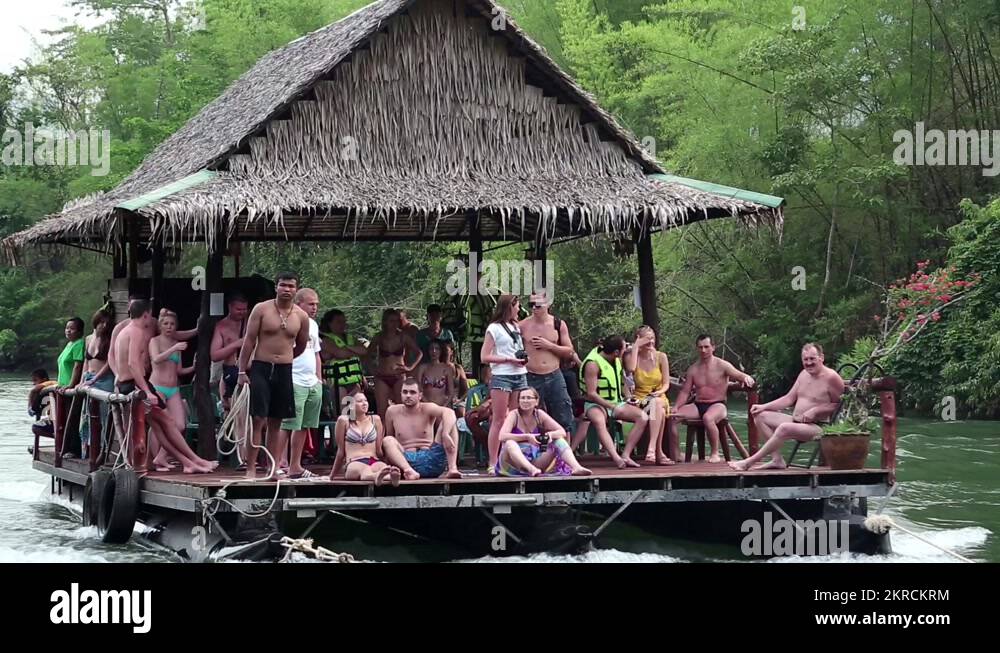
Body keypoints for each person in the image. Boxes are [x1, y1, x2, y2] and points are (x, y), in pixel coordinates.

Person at [116, 300, 217, 474]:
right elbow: (133, 363)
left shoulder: (125, 331)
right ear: (146, 314)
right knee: (167, 423)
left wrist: (196, 331)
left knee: (161, 425)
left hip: (128, 383)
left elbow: (177, 336)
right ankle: (193, 460)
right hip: (136, 385)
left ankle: (190, 462)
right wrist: (146, 391)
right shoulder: (137, 332)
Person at [236, 272, 310, 480]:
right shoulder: (261, 309)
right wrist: (242, 371)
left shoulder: (301, 316)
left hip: (284, 370)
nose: (287, 289)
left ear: (296, 289)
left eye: (291, 286)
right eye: (283, 285)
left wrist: (285, 358)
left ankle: (272, 467)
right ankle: (251, 467)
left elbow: (301, 345)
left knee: (276, 422)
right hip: (261, 367)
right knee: (258, 419)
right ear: (276, 287)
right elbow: (249, 341)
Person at [731, 343, 844, 471]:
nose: (809, 363)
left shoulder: (832, 377)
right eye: (805, 359)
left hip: (818, 426)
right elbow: (789, 399)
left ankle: (748, 462)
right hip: (796, 421)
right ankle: (777, 460)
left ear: (821, 358)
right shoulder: (803, 374)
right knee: (759, 415)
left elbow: (839, 404)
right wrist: (763, 406)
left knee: (784, 428)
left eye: (812, 359)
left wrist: (816, 410)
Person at [669, 334, 756, 463]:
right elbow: (685, 391)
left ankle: (715, 453)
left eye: (706, 347)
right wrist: (676, 407)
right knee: (671, 417)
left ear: (713, 347)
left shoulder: (723, 365)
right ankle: (676, 454)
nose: (703, 350)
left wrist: (746, 378)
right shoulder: (693, 369)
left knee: (708, 418)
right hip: (698, 404)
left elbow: (738, 374)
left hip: (718, 404)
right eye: (700, 347)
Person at [573, 336, 650, 468]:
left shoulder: (616, 360)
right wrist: (611, 406)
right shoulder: (592, 364)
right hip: (594, 403)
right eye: (624, 348)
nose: (626, 350)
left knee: (643, 417)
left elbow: (622, 382)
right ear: (616, 352)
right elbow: (591, 394)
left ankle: (626, 455)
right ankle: (616, 458)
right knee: (598, 420)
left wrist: (628, 397)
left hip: (615, 401)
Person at [272, 288, 323, 479]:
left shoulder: (314, 325)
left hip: (312, 381)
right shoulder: (288, 322)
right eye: (311, 304)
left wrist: (318, 379)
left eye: (316, 304)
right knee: (287, 424)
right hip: (293, 378)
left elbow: (316, 353)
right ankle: (276, 465)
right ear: (299, 303)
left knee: (304, 425)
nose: (314, 308)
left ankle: (295, 466)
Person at [480, 294, 528, 472]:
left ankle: (512, 459)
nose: (519, 309)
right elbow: (484, 356)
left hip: (520, 373)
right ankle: (493, 462)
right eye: (517, 306)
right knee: (499, 419)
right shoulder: (494, 328)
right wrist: (508, 359)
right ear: (509, 307)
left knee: (515, 418)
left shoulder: (516, 326)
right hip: (503, 374)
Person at [519, 292, 576, 441]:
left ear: (548, 304)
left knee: (563, 413)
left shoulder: (558, 324)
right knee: (531, 414)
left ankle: (565, 456)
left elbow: (569, 351)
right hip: (531, 375)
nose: (534, 308)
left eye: (538, 305)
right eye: (531, 305)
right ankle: (533, 453)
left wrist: (549, 346)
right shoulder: (522, 325)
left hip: (554, 374)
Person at [496, 387, 591, 477]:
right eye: (522, 398)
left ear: (536, 401)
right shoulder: (514, 414)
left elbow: (562, 431)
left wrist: (550, 435)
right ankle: (531, 469)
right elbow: (502, 436)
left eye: (529, 398)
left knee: (559, 440)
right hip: (514, 462)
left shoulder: (539, 414)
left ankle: (576, 467)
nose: (525, 401)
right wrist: (527, 437)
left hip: (535, 458)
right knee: (509, 443)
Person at [381, 378, 462, 479]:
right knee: (388, 440)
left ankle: (453, 468)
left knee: (450, 423)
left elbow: (449, 413)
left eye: (412, 392)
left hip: (432, 458)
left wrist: (445, 434)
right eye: (405, 392)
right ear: (401, 393)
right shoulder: (392, 411)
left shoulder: (427, 408)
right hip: (406, 461)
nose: (408, 395)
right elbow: (390, 437)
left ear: (420, 395)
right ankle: (409, 471)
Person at [623, 325, 674, 465]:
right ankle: (659, 453)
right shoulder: (632, 356)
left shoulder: (661, 357)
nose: (650, 342)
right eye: (647, 339)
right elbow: (631, 369)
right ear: (639, 340)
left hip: (658, 395)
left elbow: (666, 384)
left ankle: (651, 449)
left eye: (652, 339)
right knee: (660, 413)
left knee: (657, 403)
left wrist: (660, 392)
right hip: (641, 398)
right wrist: (636, 347)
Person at [330, 391, 400, 486]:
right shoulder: (344, 421)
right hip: (354, 461)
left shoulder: (375, 419)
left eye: (365, 400)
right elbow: (340, 451)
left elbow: (379, 450)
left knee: (382, 467)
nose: (364, 403)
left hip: (372, 459)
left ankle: (390, 477)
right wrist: (331, 476)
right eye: (359, 401)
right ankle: (376, 476)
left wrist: (388, 459)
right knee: (364, 470)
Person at [370, 308, 421, 422]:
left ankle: (401, 437)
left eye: (396, 321)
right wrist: (372, 369)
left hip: (399, 376)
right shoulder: (379, 337)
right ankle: (383, 437)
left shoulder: (403, 336)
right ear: (385, 322)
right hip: (382, 377)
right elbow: (367, 354)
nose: (394, 324)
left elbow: (419, 353)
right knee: (382, 413)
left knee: (402, 410)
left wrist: (410, 367)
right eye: (391, 321)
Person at [149, 309, 195, 434]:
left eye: (172, 324)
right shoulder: (155, 341)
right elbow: (156, 359)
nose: (169, 327)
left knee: (180, 425)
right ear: (160, 325)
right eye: (166, 324)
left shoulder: (176, 344)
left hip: (173, 388)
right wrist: (173, 348)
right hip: (158, 386)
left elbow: (179, 371)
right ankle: (157, 454)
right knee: (161, 425)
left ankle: (164, 454)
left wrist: (193, 367)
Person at [318, 308, 367, 416]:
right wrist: (353, 351)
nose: (342, 324)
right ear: (329, 323)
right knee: (343, 414)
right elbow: (341, 353)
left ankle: (354, 432)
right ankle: (341, 432)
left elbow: (364, 350)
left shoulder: (350, 338)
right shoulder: (325, 339)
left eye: (344, 321)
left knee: (356, 413)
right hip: (338, 383)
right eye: (338, 322)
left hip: (355, 382)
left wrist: (347, 347)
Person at [210, 293, 249, 410]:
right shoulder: (221, 326)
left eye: (244, 309)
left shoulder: (250, 321)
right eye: (238, 309)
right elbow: (215, 355)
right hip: (231, 371)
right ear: (230, 307)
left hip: (251, 371)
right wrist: (237, 344)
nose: (242, 312)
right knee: (236, 412)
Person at [417, 340, 453, 408]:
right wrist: (427, 404)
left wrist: (443, 407)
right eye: (431, 348)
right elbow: (418, 389)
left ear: (441, 351)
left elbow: (451, 392)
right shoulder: (422, 368)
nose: (434, 351)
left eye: (437, 348)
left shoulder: (447, 368)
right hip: (425, 406)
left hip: (443, 406)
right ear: (428, 350)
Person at [29, 369, 58, 440]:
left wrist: (29, 407)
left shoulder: (51, 383)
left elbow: (33, 391)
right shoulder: (44, 391)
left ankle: (60, 439)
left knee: (35, 428)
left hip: (57, 420)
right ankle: (60, 438)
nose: (34, 383)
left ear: (44, 379)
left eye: (35, 380)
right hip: (55, 419)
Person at [57, 317, 86, 389]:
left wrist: (71, 385)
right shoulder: (69, 344)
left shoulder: (79, 344)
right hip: (62, 385)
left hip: (70, 387)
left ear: (79, 331)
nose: (68, 331)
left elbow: (78, 366)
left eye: (72, 329)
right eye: (67, 328)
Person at [441, 341, 468, 417]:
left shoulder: (458, 368)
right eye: (442, 350)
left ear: (451, 352)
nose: (444, 352)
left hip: (456, 401)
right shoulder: (437, 367)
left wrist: (459, 400)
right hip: (442, 400)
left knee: (460, 412)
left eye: (446, 350)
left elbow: (466, 390)